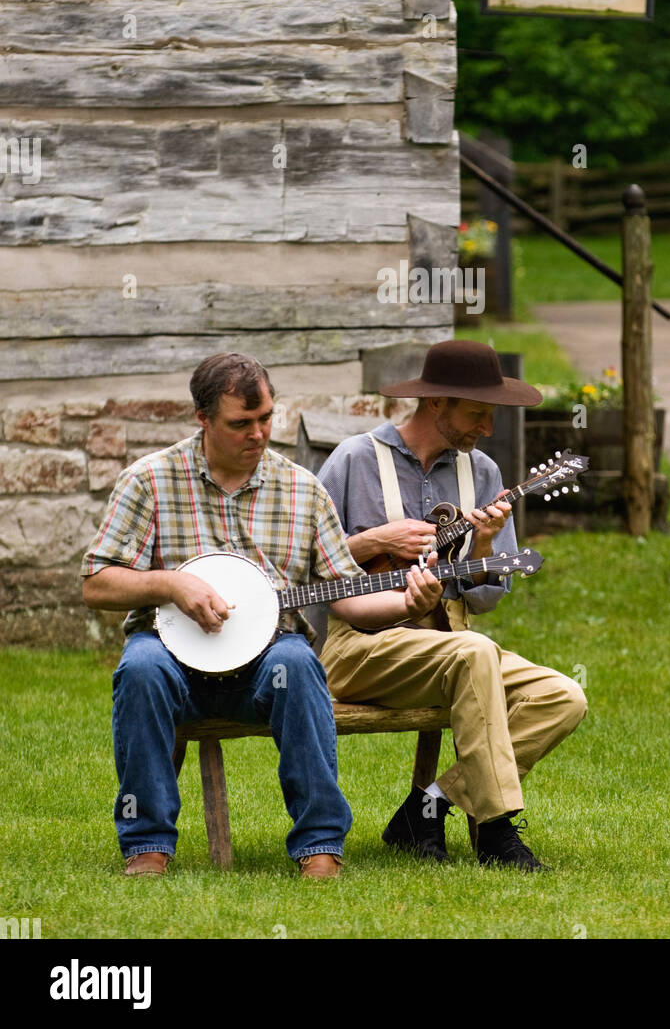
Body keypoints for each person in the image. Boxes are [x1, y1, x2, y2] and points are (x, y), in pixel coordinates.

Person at [81, 352, 443, 879]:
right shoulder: (150, 481)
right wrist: (170, 582)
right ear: (202, 419)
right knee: (139, 669)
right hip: (171, 658)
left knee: (298, 664)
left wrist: (409, 603)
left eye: (266, 418)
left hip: (267, 662)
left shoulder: (303, 489)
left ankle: (320, 845)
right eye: (240, 423)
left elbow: (346, 597)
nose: (258, 433)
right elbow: (95, 583)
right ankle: (147, 843)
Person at [317, 339, 588, 871]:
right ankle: (496, 831)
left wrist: (484, 546)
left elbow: (485, 598)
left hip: (454, 646)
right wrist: (376, 541)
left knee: (563, 697)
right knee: (473, 653)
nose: (486, 429)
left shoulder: (482, 473)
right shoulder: (354, 460)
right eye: (477, 414)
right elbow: (302, 563)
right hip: (360, 650)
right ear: (436, 403)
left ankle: (429, 807)